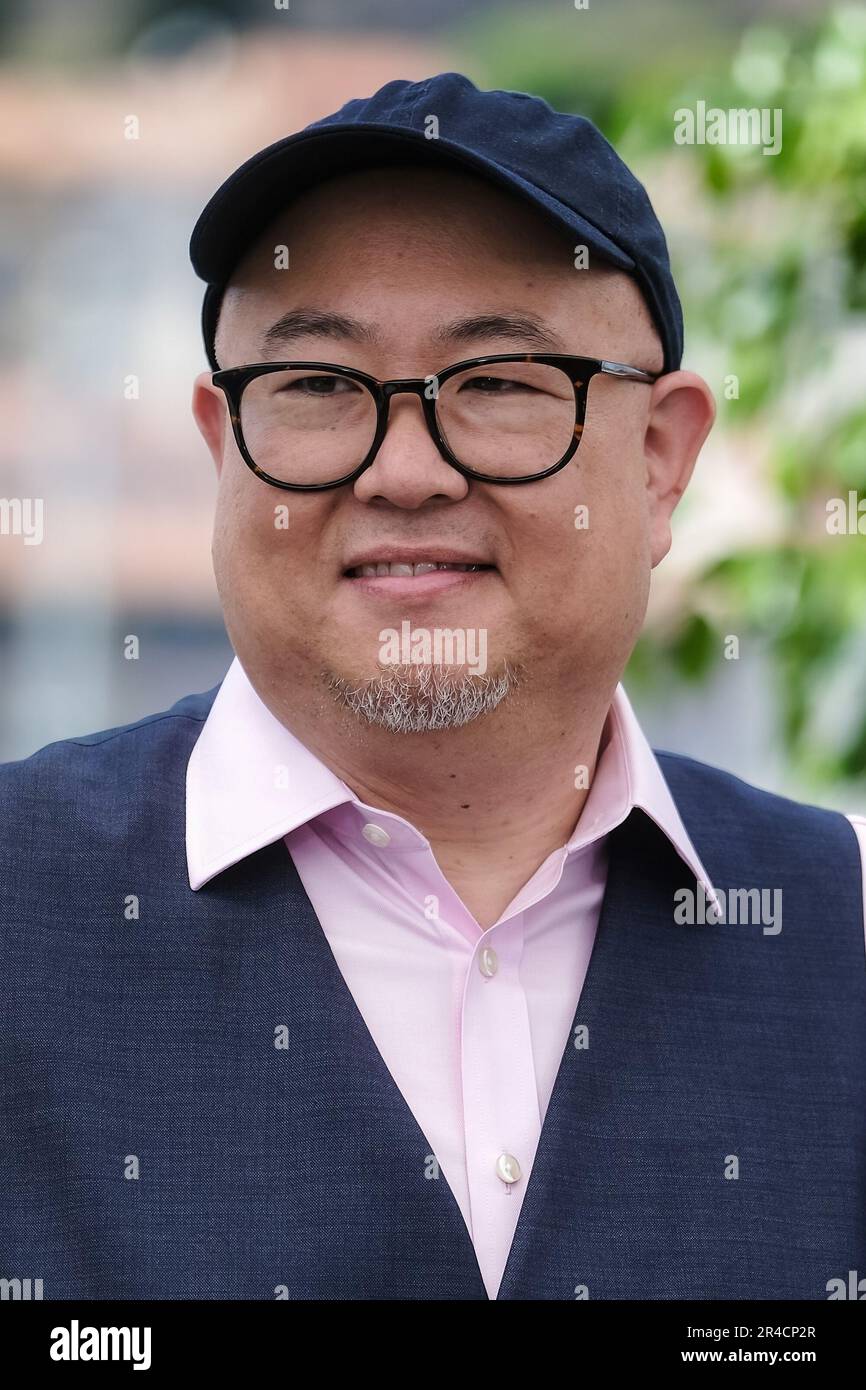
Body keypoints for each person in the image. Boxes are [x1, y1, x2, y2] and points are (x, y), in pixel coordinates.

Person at [2, 73, 864, 1302]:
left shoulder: (840, 925)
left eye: (501, 383)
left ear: (661, 462)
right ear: (218, 445)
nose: (404, 473)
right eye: (315, 389)